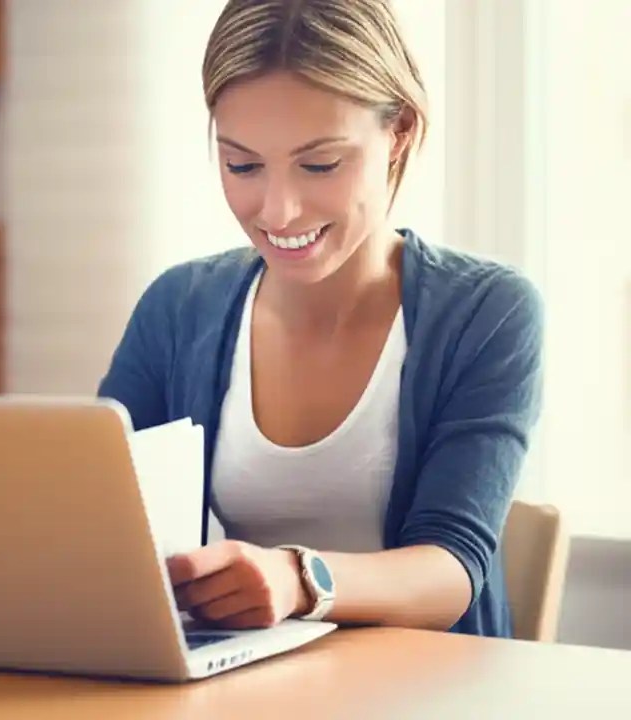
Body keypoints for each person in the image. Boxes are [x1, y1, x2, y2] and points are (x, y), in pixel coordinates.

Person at [97, 0, 543, 638]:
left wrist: (300, 580)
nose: (278, 212)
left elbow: (452, 570)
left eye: (321, 165)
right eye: (242, 165)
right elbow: (99, 519)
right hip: (245, 690)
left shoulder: (488, 312)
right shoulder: (178, 307)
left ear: (400, 134)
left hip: (429, 690)